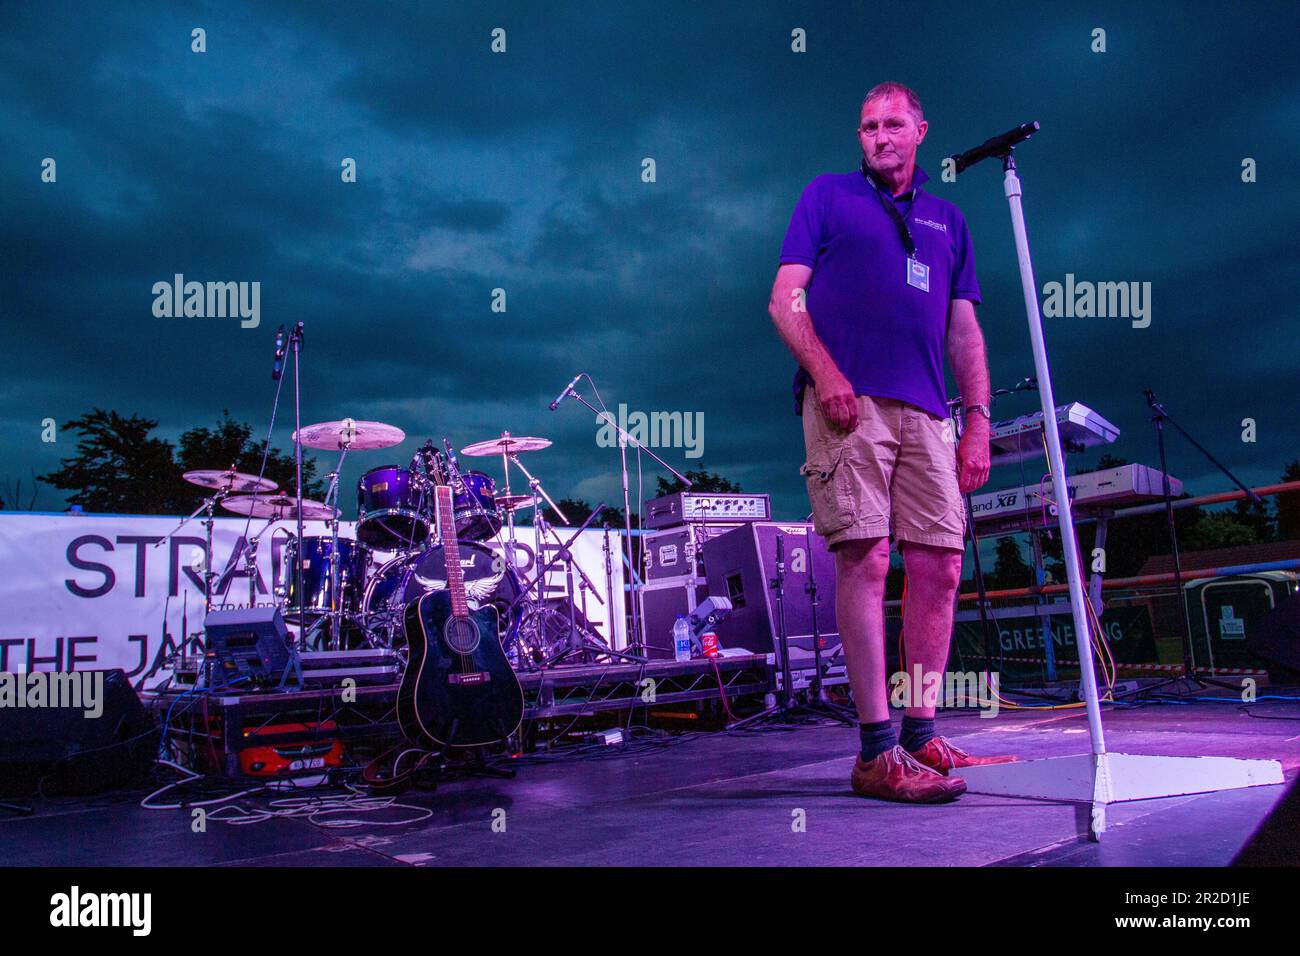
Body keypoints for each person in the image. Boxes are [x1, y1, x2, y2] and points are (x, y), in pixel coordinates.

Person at [768, 82, 1015, 803]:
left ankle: (921, 733)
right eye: (869, 126)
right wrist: (825, 373)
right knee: (867, 555)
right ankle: (877, 752)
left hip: (929, 413)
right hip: (850, 402)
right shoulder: (827, 196)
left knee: (940, 563)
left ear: (920, 132)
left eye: (894, 124)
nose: (880, 136)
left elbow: (964, 332)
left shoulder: (949, 221)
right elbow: (785, 298)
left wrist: (977, 422)